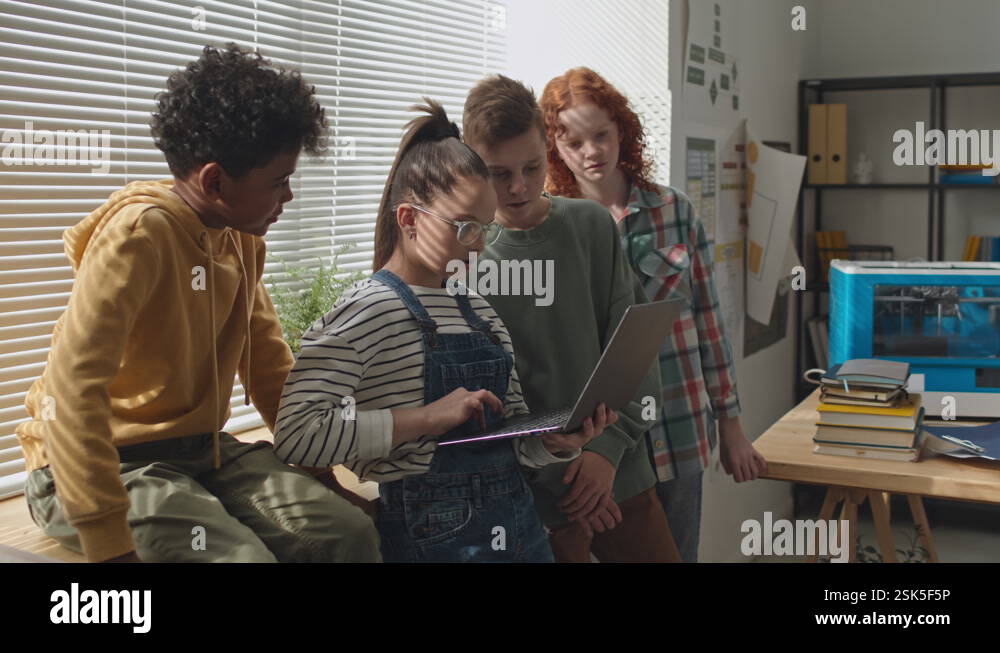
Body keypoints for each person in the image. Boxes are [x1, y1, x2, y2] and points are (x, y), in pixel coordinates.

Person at [15, 44, 380, 563]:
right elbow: (72, 396)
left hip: (201, 452)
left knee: (347, 534)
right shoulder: (139, 237)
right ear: (214, 181)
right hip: (97, 469)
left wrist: (321, 475)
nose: (289, 197)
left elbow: (271, 367)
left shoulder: (240, 239)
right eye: (278, 183)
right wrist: (108, 541)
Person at [273, 100, 604, 563]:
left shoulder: (481, 314)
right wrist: (429, 418)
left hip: (523, 530)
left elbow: (511, 444)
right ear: (409, 220)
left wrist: (553, 444)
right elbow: (298, 434)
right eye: (466, 228)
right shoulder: (369, 310)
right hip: (436, 540)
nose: (479, 246)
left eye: (485, 229)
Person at [541, 66, 768, 562]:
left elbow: (710, 324)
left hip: (680, 427)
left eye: (601, 135)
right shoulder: (553, 227)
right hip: (600, 447)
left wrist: (731, 428)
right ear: (554, 149)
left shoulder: (675, 211)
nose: (591, 152)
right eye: (573, 142)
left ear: (622, 129)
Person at [463, 74, 682, 563]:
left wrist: (605, 454)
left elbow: (636, 350)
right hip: (536, 498)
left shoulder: (591, 225)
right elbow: (477, 399)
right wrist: (563, 478)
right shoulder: (464, 256)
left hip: (619, 474)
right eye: (499, 173)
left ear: (548, 146)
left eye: (532, 167)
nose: (518, 187)